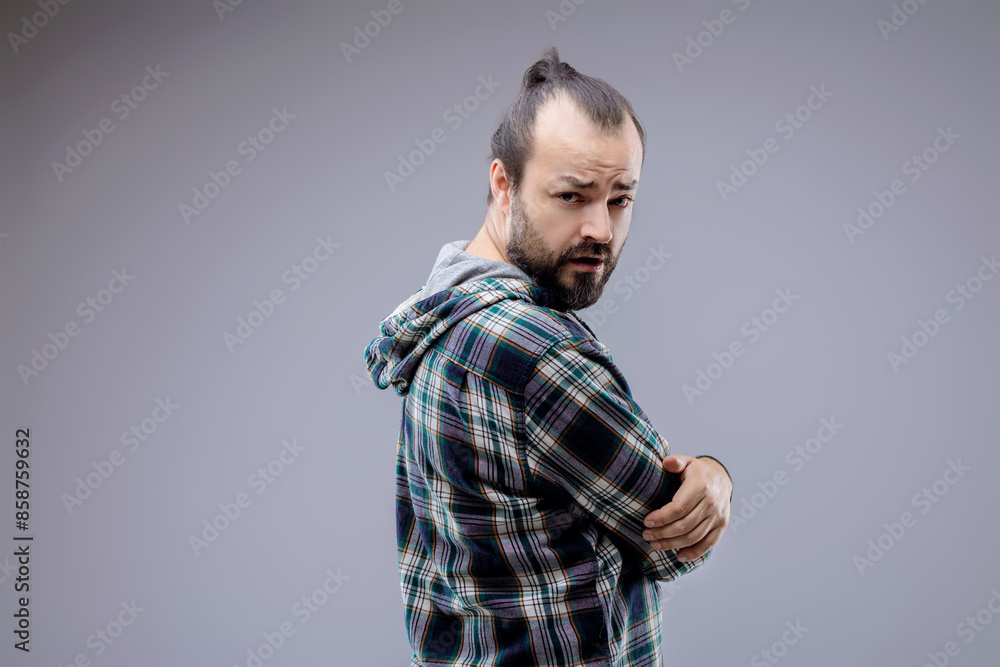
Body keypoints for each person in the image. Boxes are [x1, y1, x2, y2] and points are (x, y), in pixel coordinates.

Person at [364, 47, 733, 666]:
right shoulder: (533, 356)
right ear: (502, 184)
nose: (602, 230)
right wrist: (713, 474)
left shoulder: (442, 323)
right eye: (572, 196)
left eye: (620, 198)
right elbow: (676, 540)